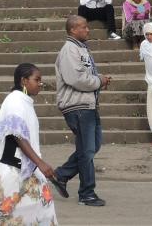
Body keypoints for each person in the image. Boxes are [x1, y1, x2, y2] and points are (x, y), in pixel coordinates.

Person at [0, 63, 61, 226]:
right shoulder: (15, 101)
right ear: (24, 81)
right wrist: (40, 163)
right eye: (37, 80)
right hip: (13, 171)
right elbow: (18, 135)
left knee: (44, 208)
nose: (40, 84)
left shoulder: (24, 101)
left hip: (27, 172)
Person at [53, 14, 109, 207]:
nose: (87, 29)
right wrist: (98, 81)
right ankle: (87, 193)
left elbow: (84, 74)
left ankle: (61, 174)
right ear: (72, 30)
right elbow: (75, 79)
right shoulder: (69, 50)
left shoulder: (80, 48)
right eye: (83, 27)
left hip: (87, 105)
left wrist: (99, 78)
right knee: (87, 150)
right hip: (77, 106)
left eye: (87, 26)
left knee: (92, 147)